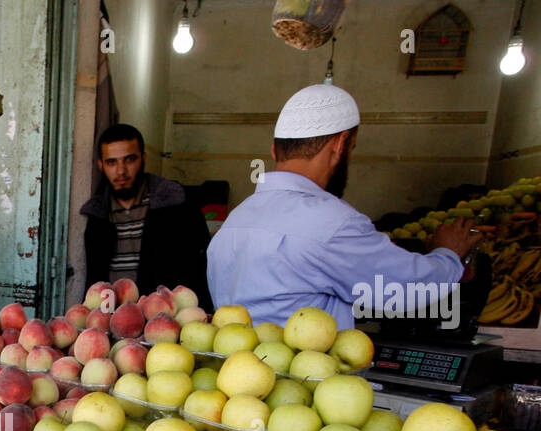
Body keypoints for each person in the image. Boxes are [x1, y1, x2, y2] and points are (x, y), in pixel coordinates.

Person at [206, 84, 482, 329]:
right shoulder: (332, 222)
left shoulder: (235, 219)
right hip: (311, 384)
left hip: (238, 379)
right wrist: (449, 254)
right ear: (340, 144)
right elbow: (406, 289)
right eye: (352, 149)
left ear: (274, 150)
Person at [80, 124, 212, 306]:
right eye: (112, 162)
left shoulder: (177, 208)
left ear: (143, 158)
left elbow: (201, 271)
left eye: (129, 160)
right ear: (101, 165)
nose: (121, 171)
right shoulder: (97, 217)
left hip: (166, 321)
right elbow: (95, 280)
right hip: (114, 322)